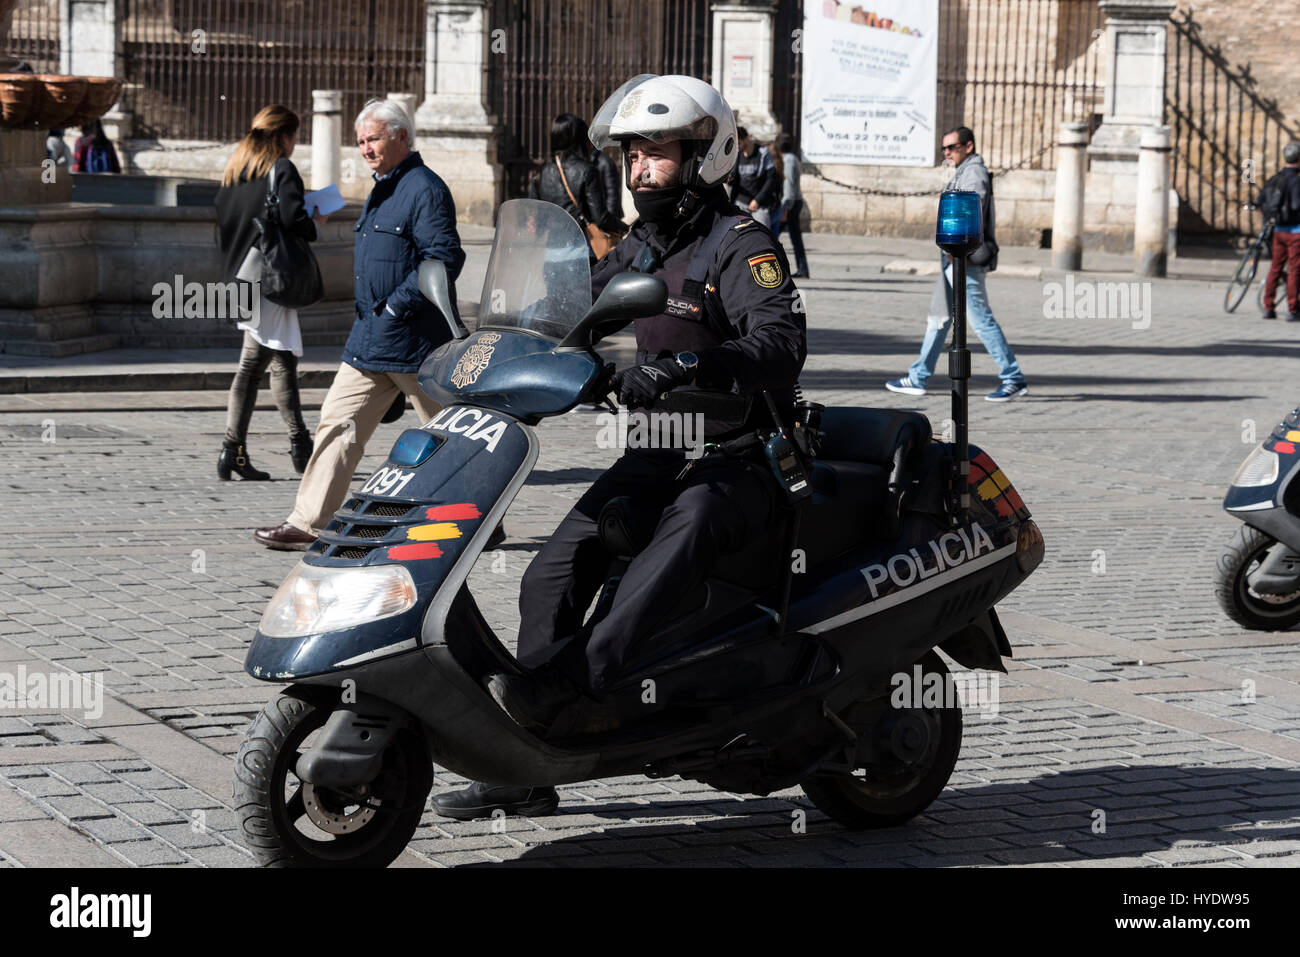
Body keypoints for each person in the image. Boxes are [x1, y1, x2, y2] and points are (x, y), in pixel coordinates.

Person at [433, 74, 807, 821]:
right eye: (632, 154)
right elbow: (576, 306)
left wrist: (686, 365)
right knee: (551, 572)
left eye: (656, 152)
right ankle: (526, 759)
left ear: (704, 154)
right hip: (660, 451)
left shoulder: (741, 245)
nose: (638, 168)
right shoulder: (644, 242)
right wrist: (505, 339)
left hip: (740, 455)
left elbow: (781, 340)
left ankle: (582, 687)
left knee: (681, 539)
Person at [253, 98, 465, 550]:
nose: (366, 149)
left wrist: (395, 307)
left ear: (401, 137)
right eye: (361, 141)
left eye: (373, 139)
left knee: (448, 440)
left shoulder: (424, 188)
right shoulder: (383, 186)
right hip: (370, 339)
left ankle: (477, 518)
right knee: (337, 424)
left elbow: (443, 258)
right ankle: (307, 522)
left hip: (416, 342)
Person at [214, 105, 323, 481]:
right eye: (294, 137)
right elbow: (294, 218)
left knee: (270, 361)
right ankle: (287, 446)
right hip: (270, 278)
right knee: (267, 362)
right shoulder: (281, 168)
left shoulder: (236, 171)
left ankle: (254, 448)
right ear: (282, 136)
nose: (295, 145)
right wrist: (315, 220)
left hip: (242, 276)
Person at [886, 125, 1028, 402]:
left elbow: (972, 208)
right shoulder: (965, 170)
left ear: (968, 146)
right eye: (944, 148)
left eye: (951, 147)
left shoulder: (974, 171)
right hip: (953, 256)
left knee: (980, 319)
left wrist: (959, 248)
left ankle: (1013, 377)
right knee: (939, 318)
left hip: (964, 258)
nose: (947, 153)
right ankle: (918, 377)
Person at [528, 112, 628, 257]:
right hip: (579, 253)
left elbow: (536, 214)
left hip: (550, 253)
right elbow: (601, 218)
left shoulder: (540, 171)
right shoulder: (587, 171)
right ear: (579, 139)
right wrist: (625, 228)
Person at [1259, 141, 1300, 320]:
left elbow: (1261, 199)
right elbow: (1297, 204)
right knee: (1294, 270)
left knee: (1275, 268)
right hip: (1295, 232)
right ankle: (1293, 309)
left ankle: (1268, 307)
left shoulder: (1275, 178)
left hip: (1278, 231)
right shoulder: (1296, 181)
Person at [773, 132, 809, 278]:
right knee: (795, 238)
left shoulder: (787, 160)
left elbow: (788, 186)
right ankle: (802, 268)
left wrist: (785, 208)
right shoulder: (793, 158)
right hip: (795, 202)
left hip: (790, 204)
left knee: (772, 236)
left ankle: (776, 268)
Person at [731, 126, 781, 228]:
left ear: (746, 138)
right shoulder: (738, 155)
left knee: (763, 235)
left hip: (759, 205)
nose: (738, 146)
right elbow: (735, 179)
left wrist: (758, 200)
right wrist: (729, 179)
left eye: (739, 143)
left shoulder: (763, 153)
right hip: (741, 204)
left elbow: (771, 179)